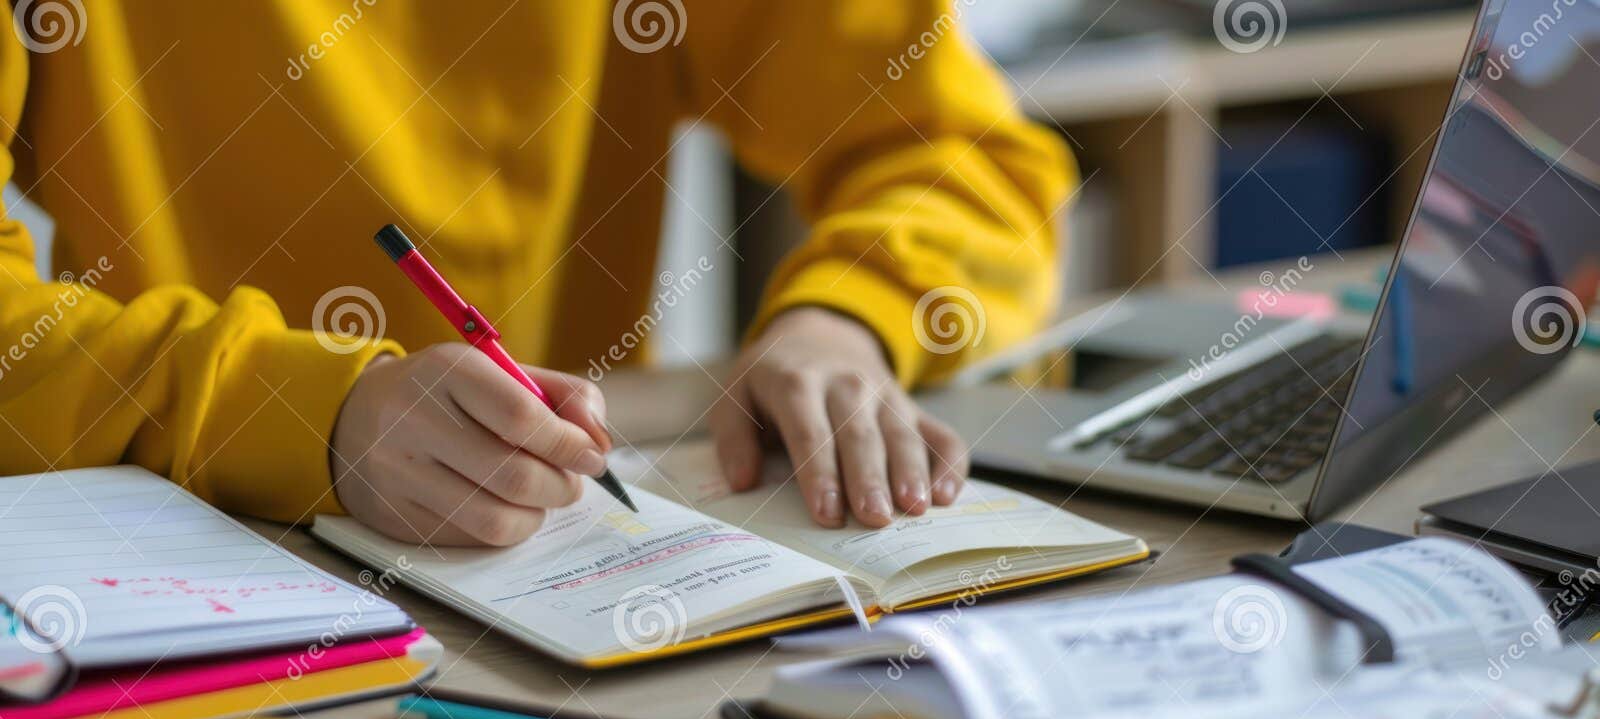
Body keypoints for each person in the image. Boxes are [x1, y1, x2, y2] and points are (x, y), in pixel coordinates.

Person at [0, 0, 1070, 545]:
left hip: (554, 552)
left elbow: (965, 157)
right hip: (170, 551)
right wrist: (307, 412)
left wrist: (846, 320)